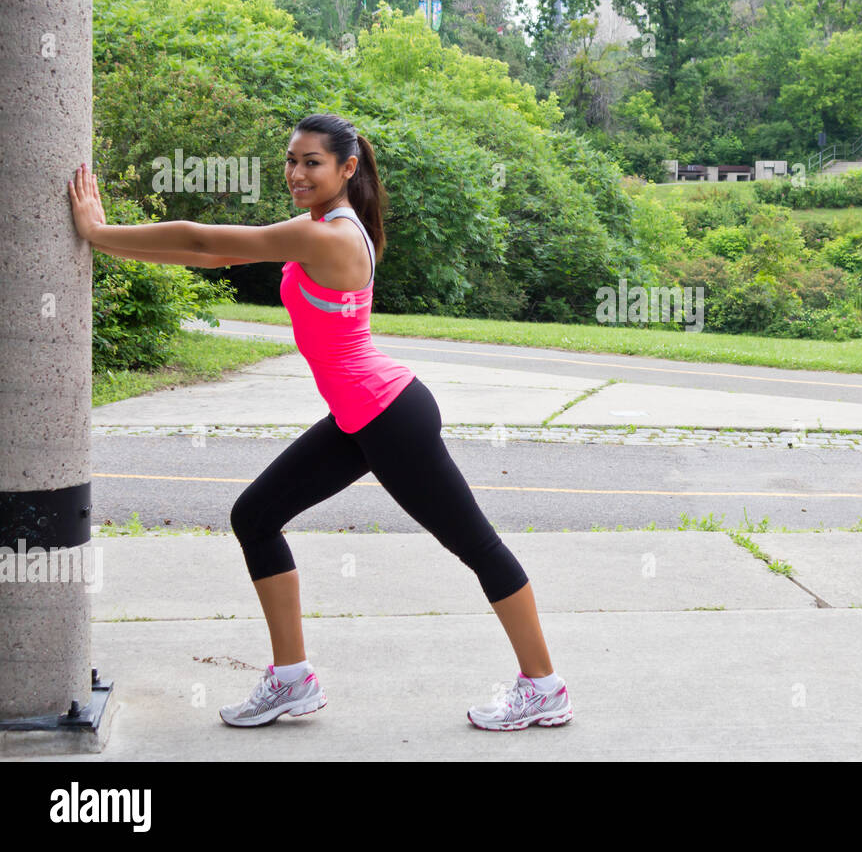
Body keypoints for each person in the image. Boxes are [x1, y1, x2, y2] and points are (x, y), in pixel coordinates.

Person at [67, 113, 573, 731]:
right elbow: (216, 254)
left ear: (347, 168)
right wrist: (103, 240)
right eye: (291, 160)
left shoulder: (329, 236)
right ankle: (291, 680)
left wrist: (98, 228)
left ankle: (543, 686)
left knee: (477, 547)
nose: (297, 173)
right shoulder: (317, 226)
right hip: (362, 417)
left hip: (390, 419)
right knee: (254, 517)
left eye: (312, 162)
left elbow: (203, 240)